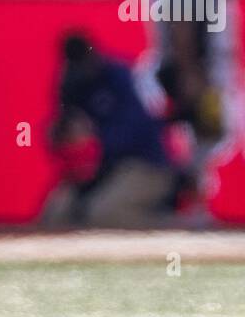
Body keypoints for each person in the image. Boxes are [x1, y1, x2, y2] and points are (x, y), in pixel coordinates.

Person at [43, 33, 180, 227]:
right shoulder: (71, 82)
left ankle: (181, 231)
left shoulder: (120, 77)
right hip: (101, 172)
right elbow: (63, 136)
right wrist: (60, 135)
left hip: (145, 165)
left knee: (103, 213)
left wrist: (95, 137)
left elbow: (139, 131)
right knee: (56, 214)